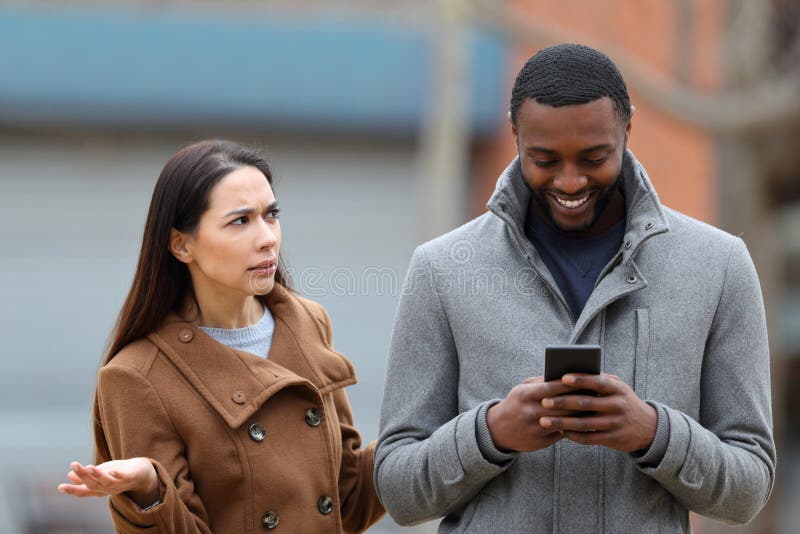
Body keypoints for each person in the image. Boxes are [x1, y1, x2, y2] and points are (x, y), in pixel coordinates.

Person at [375, 44, 775, 532]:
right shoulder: (442, 269)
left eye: (594, 157)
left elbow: (749, 488)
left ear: (628, 130)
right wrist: (491, 433)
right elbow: (397, 489)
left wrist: (652, 433)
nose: (569, 181)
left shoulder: (719, 265)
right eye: (544, 159)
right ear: (515, 134)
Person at [57, 140, 384, 533]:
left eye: (272, 214)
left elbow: (345, 500)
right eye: (240, 221)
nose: (268, 238)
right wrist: (150, 488)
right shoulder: (135, 377)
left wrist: (442, 434)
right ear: (182, 244)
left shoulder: (307, 322)